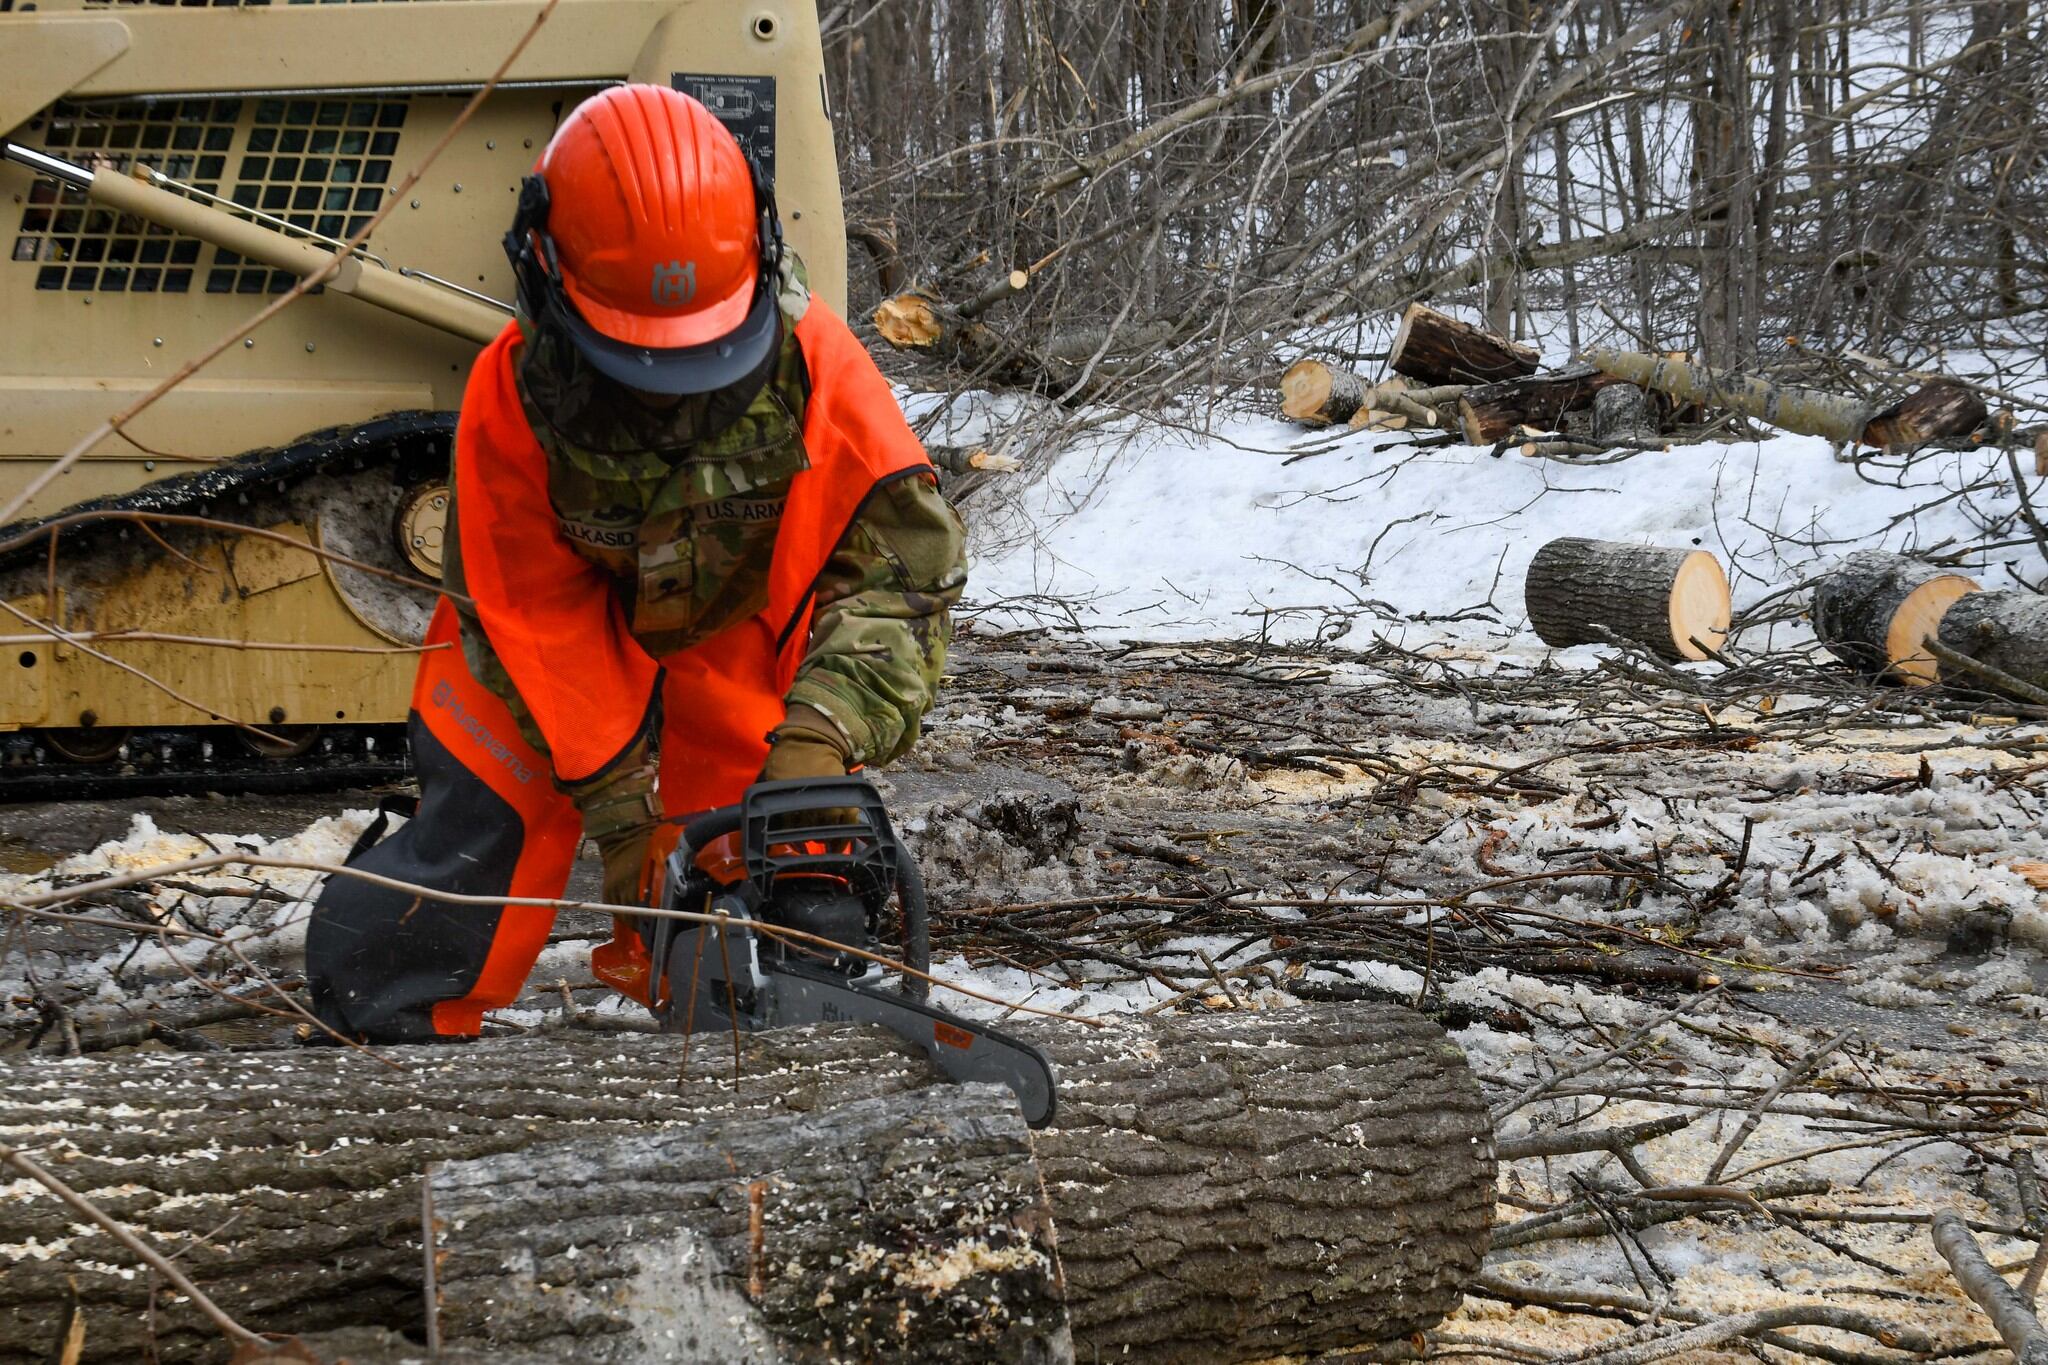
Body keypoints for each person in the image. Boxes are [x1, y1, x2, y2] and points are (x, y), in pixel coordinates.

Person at [306, 84, 966, 1043]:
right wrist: (622, 809)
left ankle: (770, 1028)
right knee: (474, 839)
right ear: (550, 279)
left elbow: (900, 576)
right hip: (548, 639)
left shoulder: (818, 368)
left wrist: (821, 733)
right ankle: (388, 1034)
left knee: (771, 869)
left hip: (733, 634)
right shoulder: (517, 392)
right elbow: (527, 606)